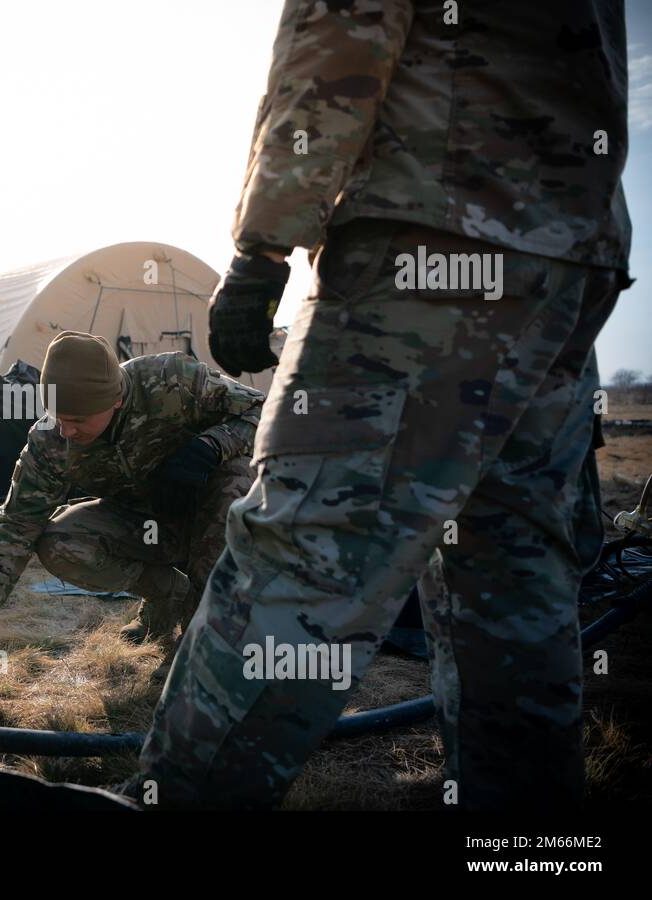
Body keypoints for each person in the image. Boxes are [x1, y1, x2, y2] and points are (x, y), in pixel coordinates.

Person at [134, 0, 632, 810]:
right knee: (515, 578)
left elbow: (342, 32)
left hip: (427, 233)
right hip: (572, 253)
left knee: (307, 554)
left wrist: (262, 245)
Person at [0, 331, 264, 681]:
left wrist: (211, 447)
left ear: (115, 400)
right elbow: (15, 531)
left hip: (213, 518)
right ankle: (170, 596)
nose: (66, 431)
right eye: (58, 416)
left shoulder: (172, 382)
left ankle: (200, 642)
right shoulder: (50, 442)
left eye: (77, 420)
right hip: (145, 527)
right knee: (61, 542)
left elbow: (264, 410)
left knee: (236, 479)